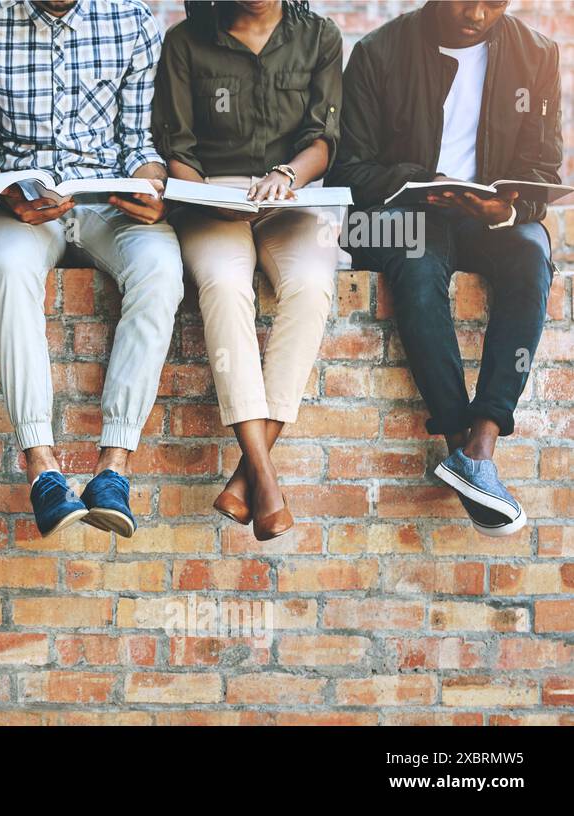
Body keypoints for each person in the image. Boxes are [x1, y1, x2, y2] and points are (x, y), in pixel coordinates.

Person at [328, 0, 562, 537]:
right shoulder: (378, 53)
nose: (477, 14)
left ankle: (482, 441)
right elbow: (350, 169)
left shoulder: (537, 56)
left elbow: (541, 169)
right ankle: (461, 447)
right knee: (415, 259)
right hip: (399, 215)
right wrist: (424, 180)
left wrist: (505, 207)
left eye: (493, 3)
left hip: (486, 217)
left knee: (532, 253)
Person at [0, 0, 184, 538]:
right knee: (11, 270)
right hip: (23, 204)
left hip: (106, 200)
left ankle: (114, 469)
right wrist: (4, 188)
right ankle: (43, 468)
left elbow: (140, 144)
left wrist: (153, 186)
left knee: (160, 268)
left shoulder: (131, 23)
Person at [154, 0, 342, 541]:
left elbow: (323, 139)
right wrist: (206, 196)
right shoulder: (187, 42)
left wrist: (286, 176)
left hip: (291, 198)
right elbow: (176, 150)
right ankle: (264, 476)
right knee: (224, 284)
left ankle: (246, 476)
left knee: (311, 288)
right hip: (211, 199)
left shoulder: (320, 37)